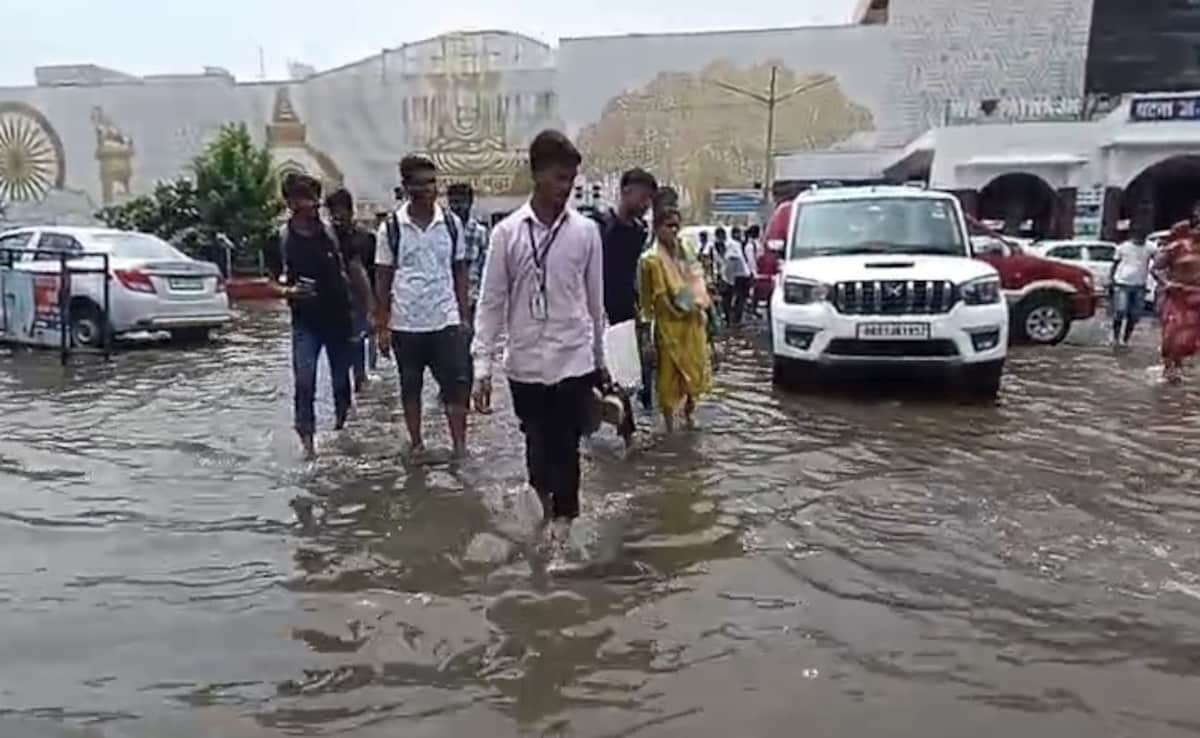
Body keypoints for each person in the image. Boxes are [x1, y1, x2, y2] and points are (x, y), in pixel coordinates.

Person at [472, 129, 608, 549]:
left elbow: (594, 300)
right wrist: (483, 368)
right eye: (559, 178)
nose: (567, 189)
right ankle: (544, 516)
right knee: (536, 443)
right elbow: (491, 303)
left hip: (574, 359)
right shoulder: (507, 235)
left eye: (571, 180)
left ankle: (564, 533)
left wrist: (601, 360)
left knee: (567, 444)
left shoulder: (586, 233)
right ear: (536, 174)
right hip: (525, 363)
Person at [374, 155, 471, 459]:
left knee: (456, 389)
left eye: (432, 182)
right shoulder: (391, 228)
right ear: (406, 187)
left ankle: (459, 447)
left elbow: (460, 272)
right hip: (406, 323)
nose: (428, 189)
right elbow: (383, 278)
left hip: (445, 320)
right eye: (420, 184)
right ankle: (416, 445)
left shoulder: (452, 224)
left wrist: (464, 318)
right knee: (410, 389)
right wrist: (382, 326)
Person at [267, 174, 371, 458]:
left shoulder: (335, 235)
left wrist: (370, 313)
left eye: (313, 198)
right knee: (304, 380)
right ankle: (308, 444)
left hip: (340, 319)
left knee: (341, 382)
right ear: (289, 202)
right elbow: (271, 280)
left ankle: (341, 429)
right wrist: (288, 292)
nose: (309, 204)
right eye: (302, 198)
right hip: (305, 322)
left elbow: (357, 273)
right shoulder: (280, 238)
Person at [638, 188, 712, 431]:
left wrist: (707, 317)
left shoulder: (686, 252)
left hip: (692, 324)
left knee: (695, 372)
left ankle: (690, 415)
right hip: (667, 329)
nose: (672, 231)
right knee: (668, 380)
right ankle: (669, 424)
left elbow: (699, 283)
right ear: (658, 228)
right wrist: (646, 338)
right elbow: (647, 302)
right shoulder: (650, 259)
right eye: (668, 226)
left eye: (675, 226)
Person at [595, 168, 657, 428]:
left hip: (625, 313)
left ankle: (627, 438)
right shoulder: (601, 227)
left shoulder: (640, 231)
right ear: (625, 192)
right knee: (601, 376)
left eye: (649, 201)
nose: (646, 206)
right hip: (598, 311)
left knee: (628, 379)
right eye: (643, 198)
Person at [325, 188, 377, 391]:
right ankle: (347, 384)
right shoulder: (326, 238)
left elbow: (374, 271)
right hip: (335, 300)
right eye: (333, 212)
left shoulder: (365, 238)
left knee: (359, 340)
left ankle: (360, 379)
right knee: (342, 346)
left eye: (341, 211)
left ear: (350, 211)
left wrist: (375, 304)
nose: (337, 216)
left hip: (361, 298)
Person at [1154, 218, 1200, 383]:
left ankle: (1178, 369)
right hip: (1177, 297)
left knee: (1189, 341)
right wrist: (1167, 283)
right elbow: (1156, 268)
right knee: (1171, 337)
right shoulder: (1177, 247)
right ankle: (1169, 369)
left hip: (1197, 299)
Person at [1109, 227, 1156, 347]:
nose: (1141, 239)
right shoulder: (1123, 247)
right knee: (1120, 311)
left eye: (1143, 237)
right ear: (1133, 236)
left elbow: (1158, 261)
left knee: (1134, 315)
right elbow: (1115, 264)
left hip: (1139, 285)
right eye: (1139, 236)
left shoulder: (1150, 247)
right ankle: (1115, 337)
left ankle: (1125, 339)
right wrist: (1111, 279)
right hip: (1122, 283)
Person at [722, 226, 752, 325]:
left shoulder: (738, 244)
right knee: (739, 297)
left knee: (740, 298)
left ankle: (736, 318)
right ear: (735, 234)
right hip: (739, 275)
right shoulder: (732, 245)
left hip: (741, 274)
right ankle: (735, 319)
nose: (741, 236)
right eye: (739, 233)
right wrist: (729, 278)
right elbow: (732, 259)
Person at [743, 224, 764, 318]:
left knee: (756, 292)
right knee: (753, 292)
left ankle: (753, 310)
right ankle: (751, 310)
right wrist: (754, 272)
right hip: (753, 271)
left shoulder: (757, 244)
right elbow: (751, 260)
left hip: (758, 270)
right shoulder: (750, 246)